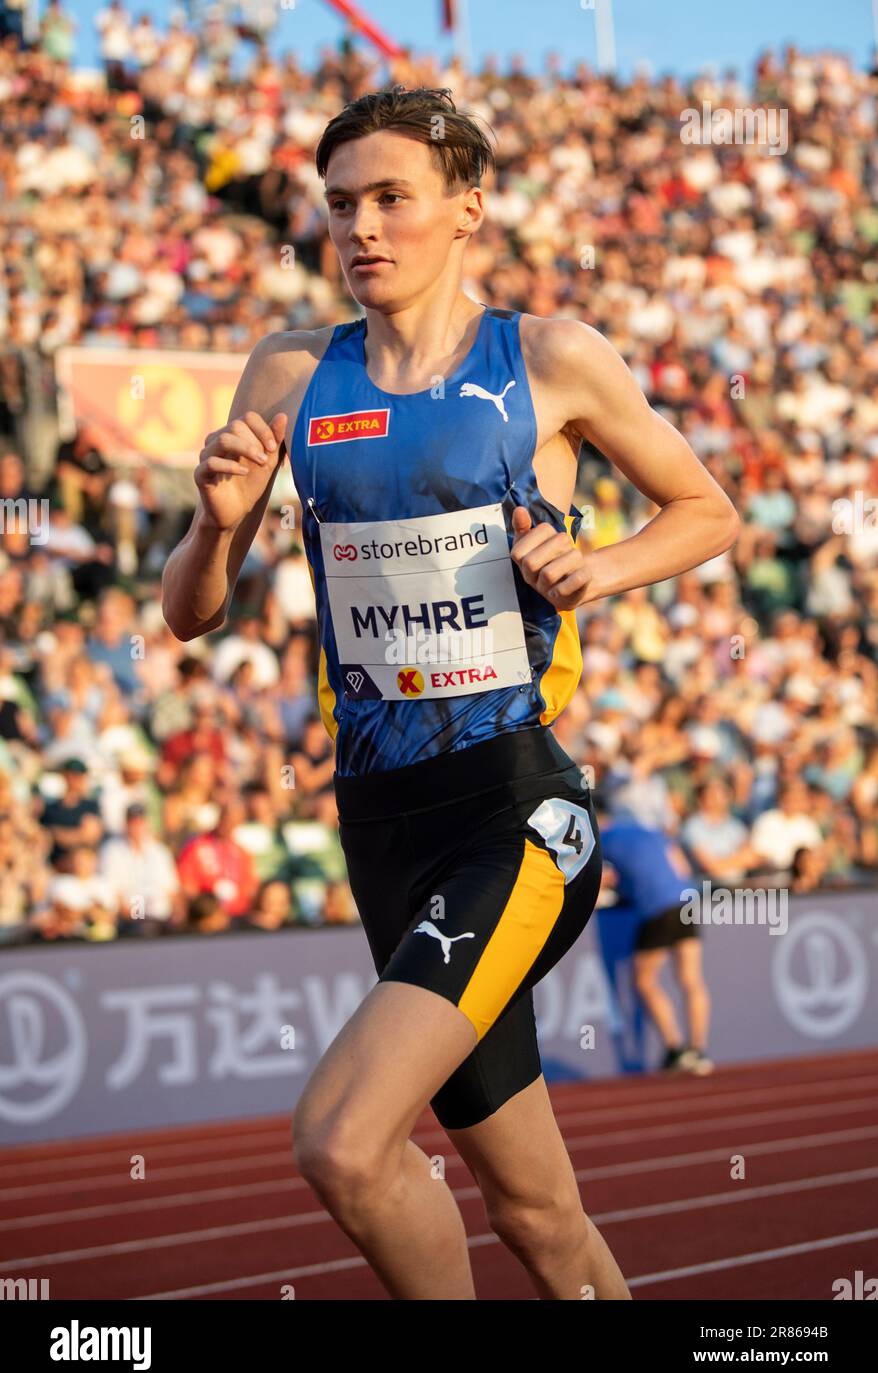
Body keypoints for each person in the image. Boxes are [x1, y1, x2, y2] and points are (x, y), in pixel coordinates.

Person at [162, 86, 739, 1300]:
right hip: (380, 819)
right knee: (536, 1211)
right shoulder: (284, 372)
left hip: (517, 811)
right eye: (337, 207)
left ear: (465, 209)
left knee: (343, 1139)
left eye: (389, 199)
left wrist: (597, 563)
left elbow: (704, 511)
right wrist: (217, 534)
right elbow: (190, 610)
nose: (360, 227)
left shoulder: (547, 357)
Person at [597, 803, 715, 1076]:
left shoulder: (602, 840)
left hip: (657, 908)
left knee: (644, 981)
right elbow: (680, 865)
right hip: (685, 899)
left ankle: (675, 1048)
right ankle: (698, 1050)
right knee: (690, 978)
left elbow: (602, 879)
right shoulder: (644, 828)